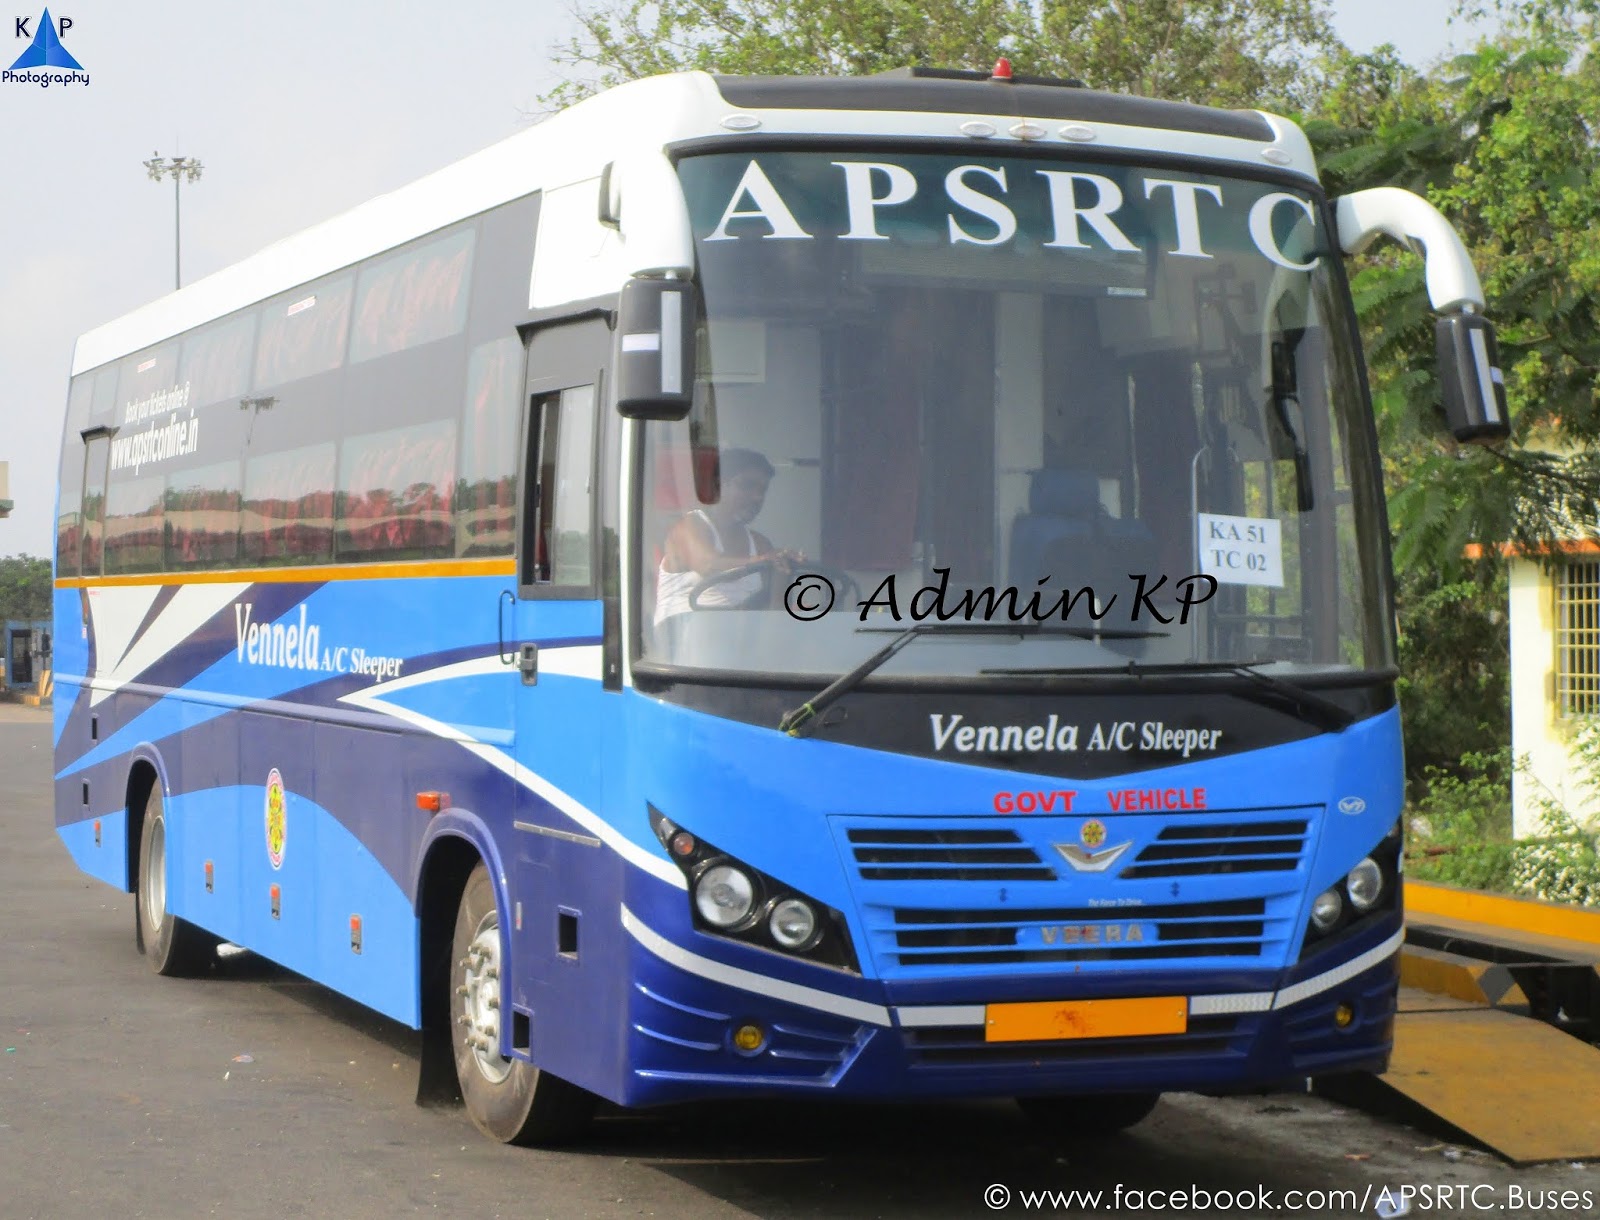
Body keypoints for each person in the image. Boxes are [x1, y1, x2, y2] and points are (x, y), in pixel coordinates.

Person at [654, 448, 800, 624]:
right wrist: (763, 560)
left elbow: (777, 614)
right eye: (747, 486)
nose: (757, 497)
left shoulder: (760, 544)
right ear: (719, 485)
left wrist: (784, 566)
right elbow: (707, 565)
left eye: (763, 490)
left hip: (739, 638)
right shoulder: (690, 526)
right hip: (684, 637)